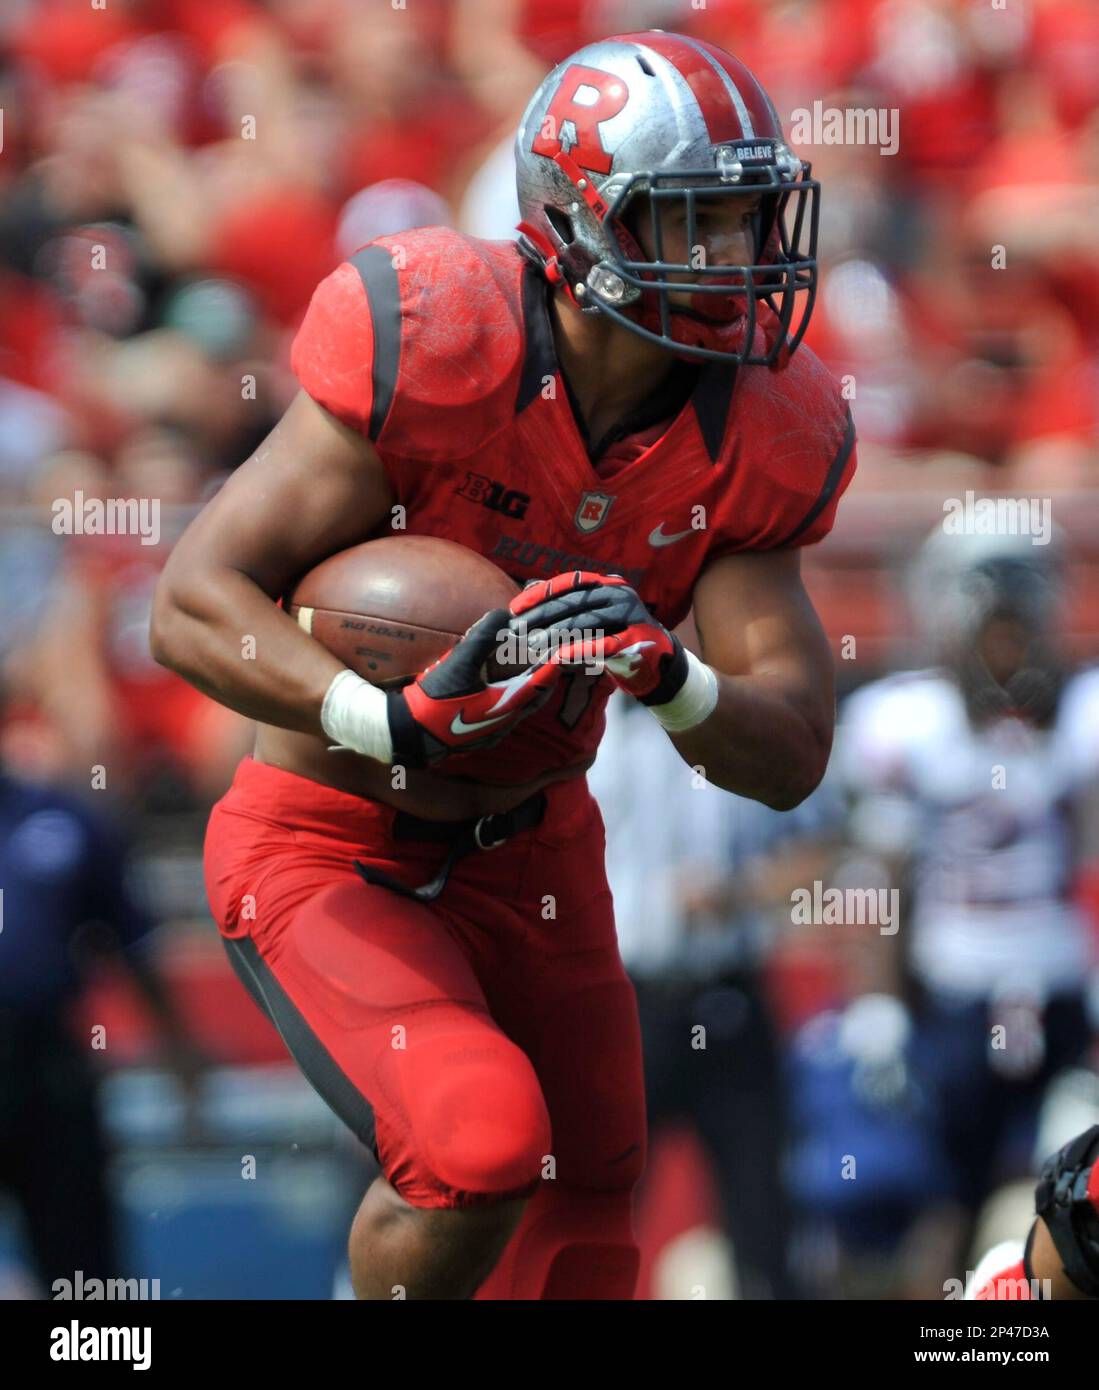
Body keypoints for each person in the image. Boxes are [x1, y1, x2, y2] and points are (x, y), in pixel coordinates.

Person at [151, 30, 857, 1300]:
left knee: (591, 1208)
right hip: (331, 829)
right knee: (476, 1142)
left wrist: (675, 680)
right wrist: (385, 718)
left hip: (533, 839)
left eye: (750, 217)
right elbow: (194, 603)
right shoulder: (439, 337)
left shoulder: (759, 425)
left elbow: (794, 749)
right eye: (695, 221)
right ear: (576, 230)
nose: (739, 257)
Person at [834, 525, 1099, 1294]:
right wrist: (877, 1005)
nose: (1007, 646)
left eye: (1018, 624)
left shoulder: (1081, 716)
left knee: (1072, 1206)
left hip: (1057, 995)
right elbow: (883, 877)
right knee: (943, 1203)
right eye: (992, 626)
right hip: (953, 996)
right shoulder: (905, 720)